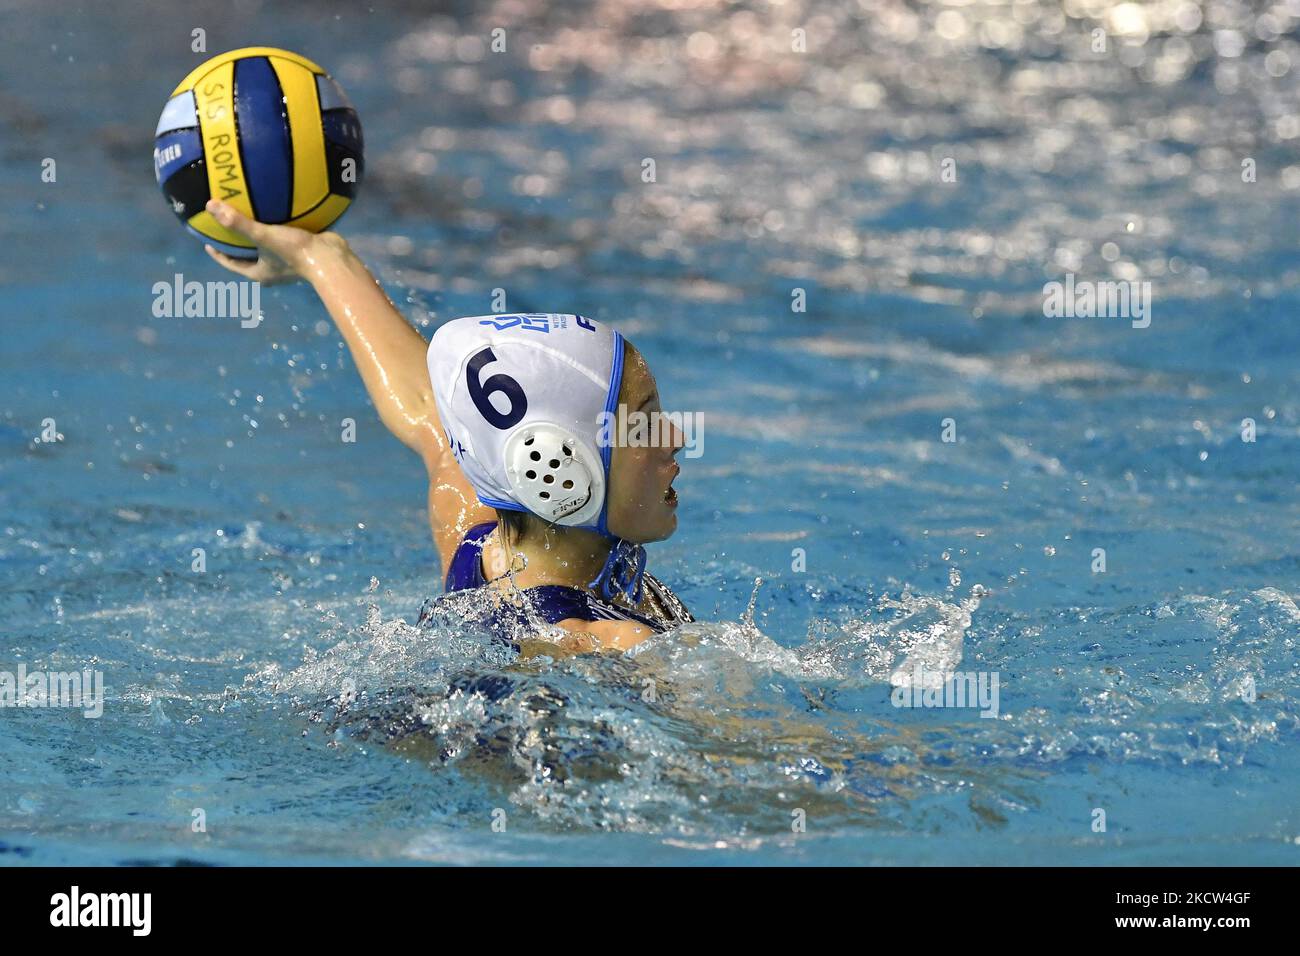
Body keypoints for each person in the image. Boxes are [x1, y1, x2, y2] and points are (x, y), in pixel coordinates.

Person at [202, 198, 692, 652]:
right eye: (644, 422)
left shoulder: (475, 539)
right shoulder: (612, 646)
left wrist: (320, 256)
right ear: (559, 468)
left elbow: (425, 409)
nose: (677, 438)